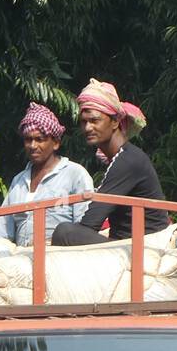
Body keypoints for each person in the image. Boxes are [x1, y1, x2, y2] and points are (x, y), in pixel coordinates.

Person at [51, 80, 169, 247]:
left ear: (115, 121)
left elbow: (91, 223)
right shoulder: (123, 158)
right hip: (128, 243)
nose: (87, 128)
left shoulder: (128, 161)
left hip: (144, 246)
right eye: (84, 122)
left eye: (94, 120)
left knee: (64, 233)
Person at [0, 103, 93, 249]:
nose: (33, 146)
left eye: (40, 139)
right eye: (28, 139)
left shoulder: (75, 174)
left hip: (61, 258)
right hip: (22, 260)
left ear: (56, 143)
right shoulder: (18, 181)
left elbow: (84, 228)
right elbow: (0, 232)